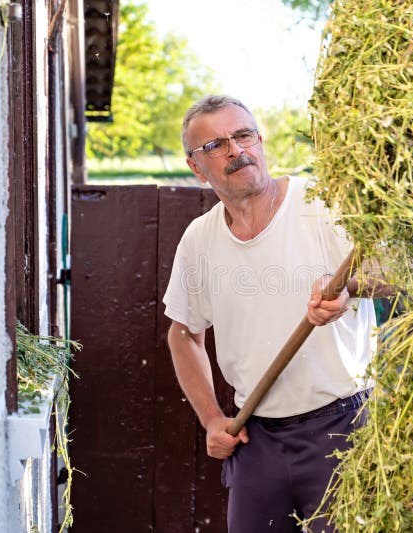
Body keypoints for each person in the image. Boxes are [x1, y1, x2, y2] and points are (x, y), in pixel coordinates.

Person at [164, 95, 380, 532]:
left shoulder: (321, 204)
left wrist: (348, 291)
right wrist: (211, 419)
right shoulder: (199, 240)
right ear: (196, 168)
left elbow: (393, 273)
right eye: (216, 145)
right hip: (254, 436)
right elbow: (183, 335)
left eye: (243, 135)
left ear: (260, 140)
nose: (236, 150)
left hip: (344, 428)